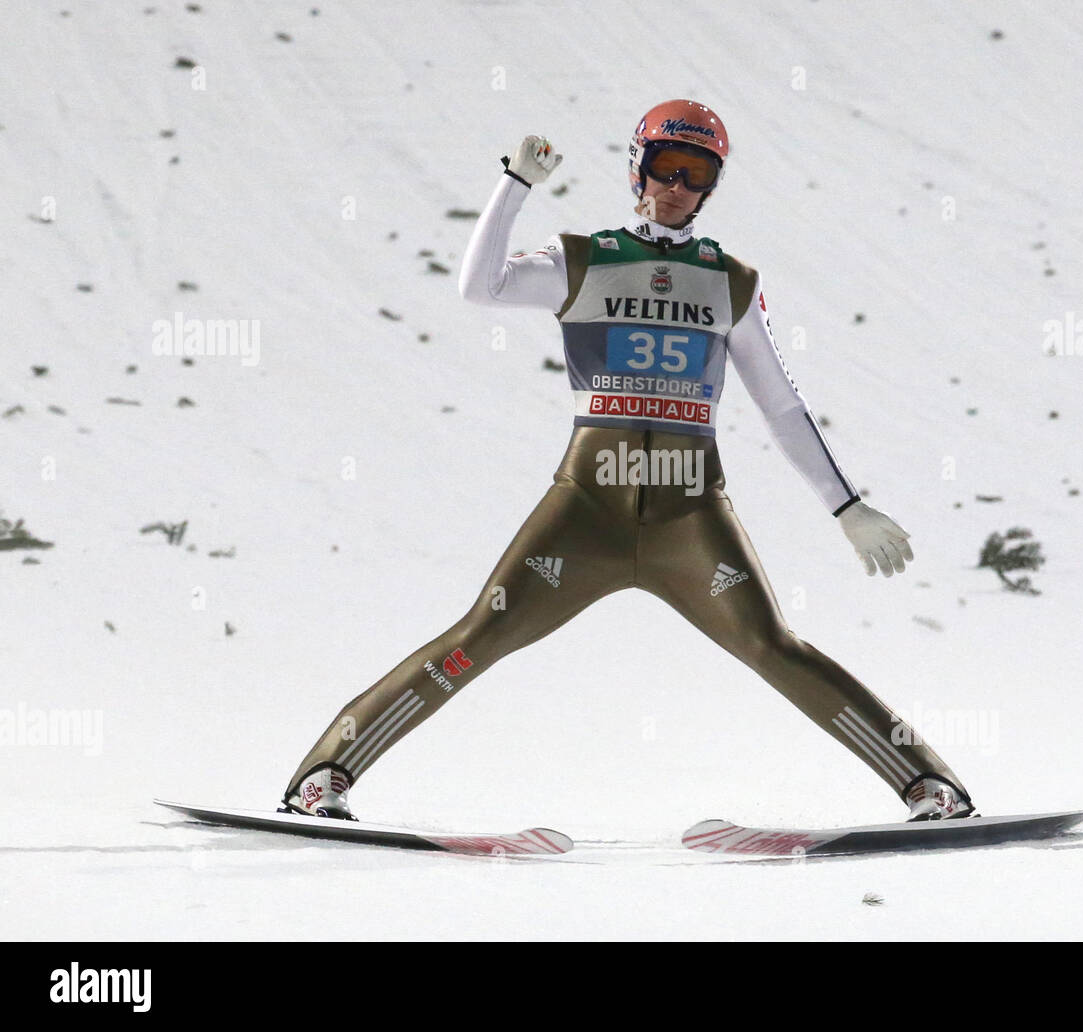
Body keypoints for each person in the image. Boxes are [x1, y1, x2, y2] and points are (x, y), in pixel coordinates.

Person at [281, 99, 976, 823]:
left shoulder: (730, 280)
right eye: (664, 168)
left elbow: (781, 406)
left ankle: (931, 785)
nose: (677, 185)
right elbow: (477, 287)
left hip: (689, 513)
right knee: (477, 638)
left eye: (697, 173)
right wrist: (512, 186)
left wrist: (847, 507)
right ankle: (324, 776)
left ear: (712, 186)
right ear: (636, 168)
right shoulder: (585, 258)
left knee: (774, 647)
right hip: (587, 508)